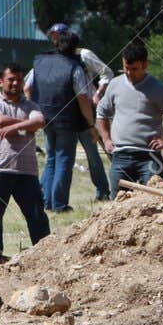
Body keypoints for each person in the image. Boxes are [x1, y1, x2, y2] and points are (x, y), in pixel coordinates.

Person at [97, 40, 163, 193]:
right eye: (126, 68)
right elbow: (101, 112)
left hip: (149, 158)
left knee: (153, 202)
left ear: (145, 65)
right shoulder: (115, 85)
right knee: (118, 205)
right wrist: (106, 139)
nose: (129, 73)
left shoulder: (158, 89)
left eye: (134, 69)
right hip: (121, 156)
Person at [31, 26, 112, 201]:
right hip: (64, 116)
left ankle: (103, 191)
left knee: (91, 154)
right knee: (56, 158)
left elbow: (106, 73)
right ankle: (47, 195)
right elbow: (29, 85)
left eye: (57, 37)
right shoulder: (51, 59)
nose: (54, 41)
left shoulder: (84, 55)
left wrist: (98, 94)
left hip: (83, 114)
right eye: (52, 37)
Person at [0, 62, 49, 258]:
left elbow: (40, 122)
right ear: (0, 82)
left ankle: (45, 255)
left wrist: (12, 128)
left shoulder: (31, 105)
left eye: (19, 80)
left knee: (37, 216)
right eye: (11, 79)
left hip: (26, 171)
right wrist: (26, 124)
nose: (15, 83)